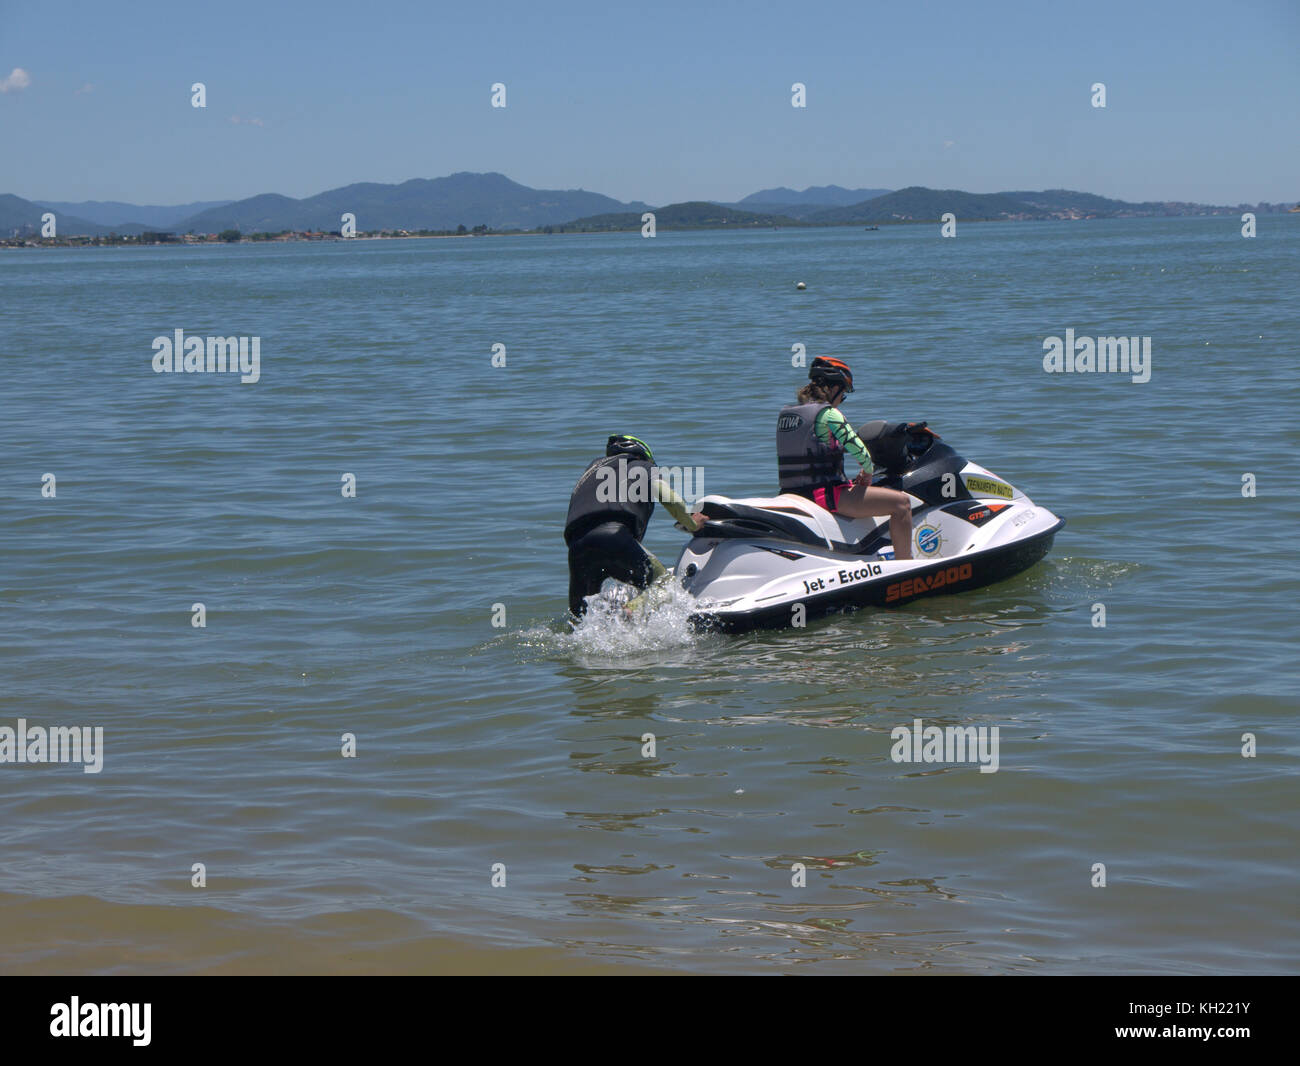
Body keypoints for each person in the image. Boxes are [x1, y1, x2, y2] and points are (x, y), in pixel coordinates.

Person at [776, 357, 913, 559]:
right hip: (823, 495)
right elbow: (862, 454)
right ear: (834, 388)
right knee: (901, 504)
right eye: (844, 393)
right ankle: (905, 564)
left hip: (789, 493)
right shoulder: (829, 414)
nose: (842, 399)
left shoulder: (788, 415)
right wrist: (867, 473)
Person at [564, 435, 704, 617]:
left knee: (581, 617)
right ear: (642, 455)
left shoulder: (589, 474)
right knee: (666, 585)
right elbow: (670, 499)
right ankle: (630, 611)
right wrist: (692, 524)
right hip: (614, 537)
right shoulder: (641, 466)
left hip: (577, 549)